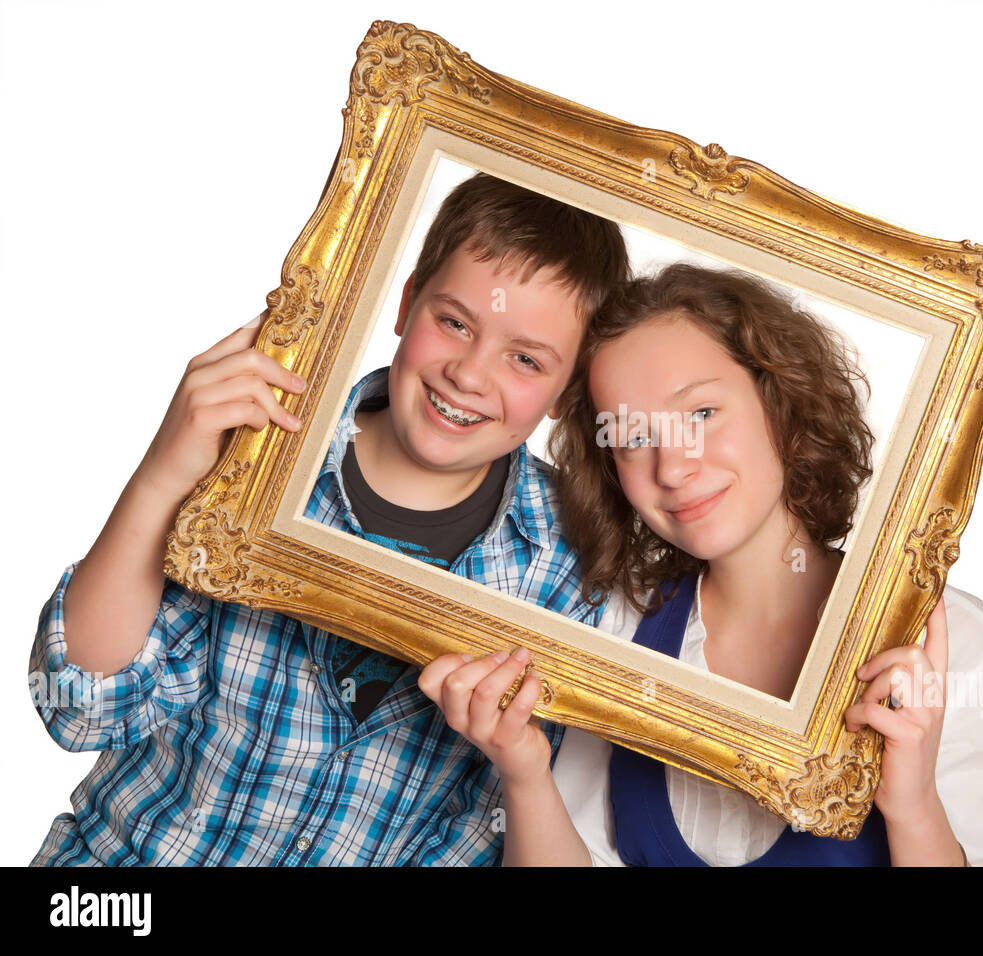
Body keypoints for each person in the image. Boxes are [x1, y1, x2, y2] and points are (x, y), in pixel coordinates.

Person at [25, 172, 631, 865]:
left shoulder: (569, 567)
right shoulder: (258, 451)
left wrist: (518, 767)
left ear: (566, 393)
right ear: (404, 304)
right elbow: (80, 711)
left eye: (525, 359)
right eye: (454, 322)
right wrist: (162, 474)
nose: (469, 373)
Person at [419, 263, 983, 866]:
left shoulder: (944, 643)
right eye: (632, 438)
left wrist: (915, 805)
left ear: (781, 401)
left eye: (701, 415)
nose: (673, 467)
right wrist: (525, 774)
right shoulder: (618, 629)